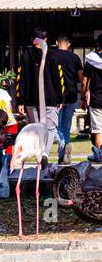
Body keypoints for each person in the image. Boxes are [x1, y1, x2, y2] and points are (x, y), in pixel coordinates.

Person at [47, 34, 84, 164]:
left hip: (56, 97)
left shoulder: (51, 56)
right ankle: (64, 154)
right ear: (68, 44)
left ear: (57, 42)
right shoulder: (75, 57)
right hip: (72, 95)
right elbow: (80, 78)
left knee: (56, 127)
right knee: (66, 127)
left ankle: (63, 145)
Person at [84, 44, 102, 163]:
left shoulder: (91, 59)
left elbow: (85, 80)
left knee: (98, 129)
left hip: (97, 99)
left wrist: (83, 97)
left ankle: (100, 155)